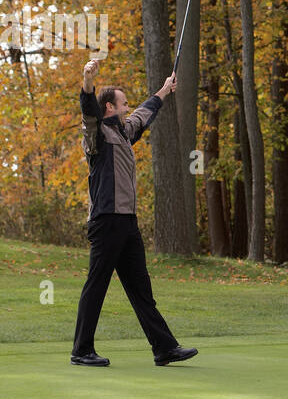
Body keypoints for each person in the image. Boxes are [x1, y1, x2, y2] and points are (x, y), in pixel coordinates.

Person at [71, 58, 198, 368]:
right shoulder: (97, 135)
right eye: (122, 102)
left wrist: (165, 90)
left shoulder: (125, 132)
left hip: (128, 223)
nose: (127, 106)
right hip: (106, 221)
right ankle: (81, 351)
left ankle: (164, 348)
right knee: (96, 285)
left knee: (141, 288)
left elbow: (145, 111)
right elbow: (88, 110)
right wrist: (88, 80)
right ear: (110, 108)